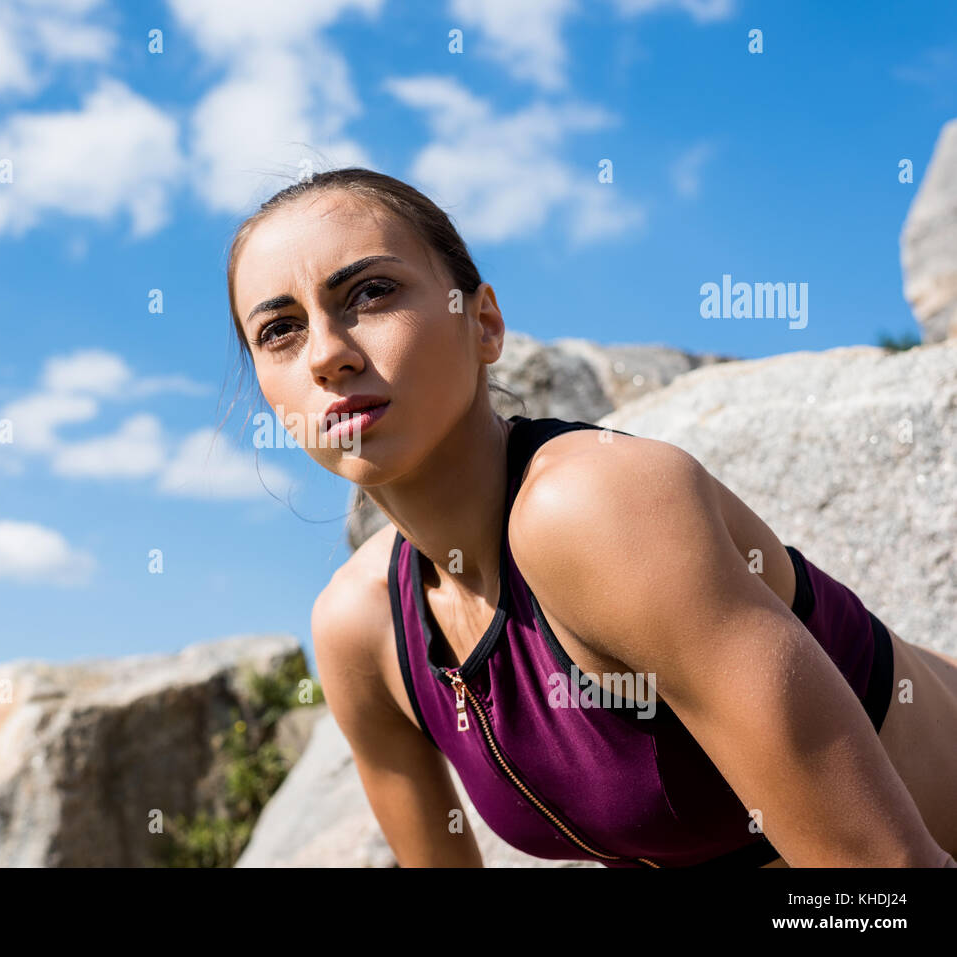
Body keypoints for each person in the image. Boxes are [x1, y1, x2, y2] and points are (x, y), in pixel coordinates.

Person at [223, 166, 957, 867]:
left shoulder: (596, 507)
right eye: (279, 331)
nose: (326, 354)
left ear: (483, 323)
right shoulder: (362, 629)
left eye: (372, 292)